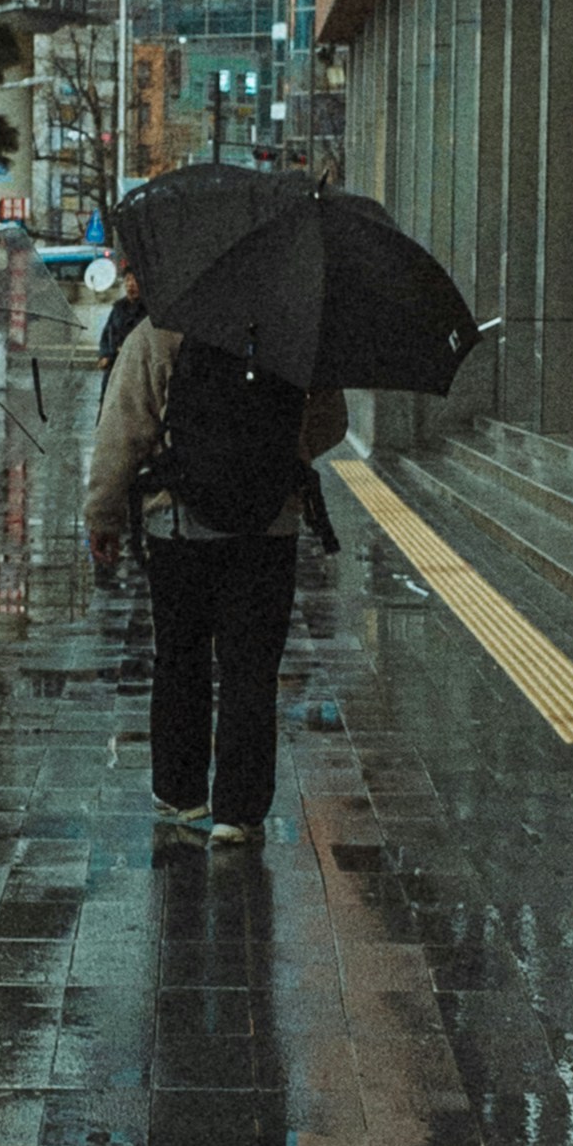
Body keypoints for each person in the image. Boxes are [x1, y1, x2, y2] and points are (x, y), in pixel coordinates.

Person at [86, 318, 346, 845]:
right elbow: (331, 422)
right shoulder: (293, 331)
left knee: (180, 657)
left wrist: (103, 514)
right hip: (268, 526)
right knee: (251, 667)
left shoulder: (160, 332)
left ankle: (181, 795)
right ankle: (240, 812)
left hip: (179, 525)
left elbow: (123, 429)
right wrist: (274, 458)